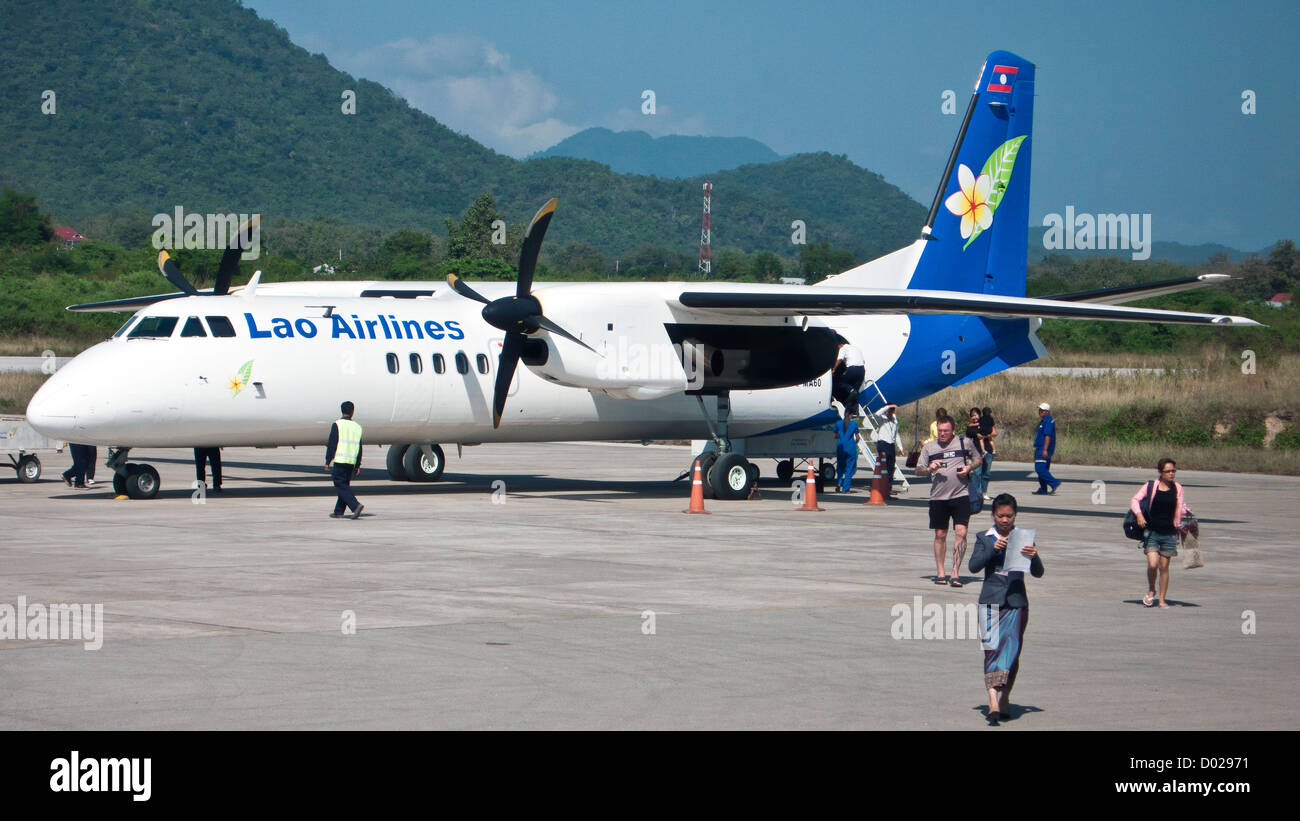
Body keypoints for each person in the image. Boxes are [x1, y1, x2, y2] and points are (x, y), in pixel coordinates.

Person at [970, 493, 1043, 724]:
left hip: (1016, 601)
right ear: (993, 515)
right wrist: (993, 549)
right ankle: (992, 700)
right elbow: (973, 566)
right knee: (991, 650)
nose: (1004, 520)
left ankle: (1005, 697)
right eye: (1000, 515)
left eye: (1009, 516)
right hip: (990, 600)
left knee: (1012, 650)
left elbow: (1039, 572)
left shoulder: (1023, 538)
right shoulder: (984, 537)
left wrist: (1035, 556)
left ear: (1015, 516)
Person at [915, 417, 980, 586]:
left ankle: (955, 573)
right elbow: (917, 470)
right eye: (940, 430)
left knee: (961, 532)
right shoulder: (930, 447)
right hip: (938, 497)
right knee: (940, 534)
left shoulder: (964, 443)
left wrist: (969, 468)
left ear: (953, 430)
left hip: (961, 495)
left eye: (945, 430)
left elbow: (978, 459)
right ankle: (941, 573)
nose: (942, 434)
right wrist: (929, 468)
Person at [1132, 458, 1190, 609]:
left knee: (1164, 567)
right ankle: (1152, 589)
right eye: (1168, 471)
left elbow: (1181, 506)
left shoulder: (1178, 488)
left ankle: (1162, 599)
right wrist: (1139, 515)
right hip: (1152, 532)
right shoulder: (1151, 486)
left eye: (1173, 471)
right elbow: (1135, 500)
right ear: (1160, 472)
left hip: (1169, 533)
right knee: (1153, 564)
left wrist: (1189, 514)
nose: (1171, 474)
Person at [325, 401, 364, 519]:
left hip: (340, 460)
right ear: (352, 411)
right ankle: (338, 511)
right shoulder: (357, 427)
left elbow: (332, 444)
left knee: (340, 485)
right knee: (344, 485)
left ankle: (355, 505)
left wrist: (327, 461)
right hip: (351, 462)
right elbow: (359, 447)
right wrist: (357, 465)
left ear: (342, 411)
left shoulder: (337, 424)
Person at [830, 337, 865, 416]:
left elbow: (839, 359)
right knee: (855, 393)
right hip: (862, 370)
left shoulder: (843, 348)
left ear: (840, 345)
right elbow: (863, 361)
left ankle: (851, 390)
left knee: (840, 383)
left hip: (852, 369)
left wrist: (834, 369)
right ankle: (855, 411)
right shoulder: (856, 349)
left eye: (838, 348)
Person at [1032, 402, 1060, 495]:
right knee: (1043, 469)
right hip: (1040, 448)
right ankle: (1043, 489)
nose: (1040, 412)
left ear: (1047, 412)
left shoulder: (1048, 421)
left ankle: (1054, 482)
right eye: (1039, 410)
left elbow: (1047, 436)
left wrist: (1044, 449)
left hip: (1043, 448)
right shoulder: (1044, 421)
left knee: (1039, 469)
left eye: (1042, 410)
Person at [833, 408, 859, 493]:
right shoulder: (854, 424)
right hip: (850, 448)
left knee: (840, 467)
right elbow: (857, 437)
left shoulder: (838, 423)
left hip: (841, 448)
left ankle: (839, 483)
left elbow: (835, 436)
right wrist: (855, 442)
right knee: (849, 469)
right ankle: (846, 489)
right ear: (851, 415)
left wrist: (840, 437)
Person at [874, 404, 898, 496]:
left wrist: (901, 447)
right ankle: (879, 486)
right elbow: (876, 415)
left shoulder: (894, 421)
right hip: (883, 443)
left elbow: (896, 434)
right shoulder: (882, 419)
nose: (891, 412)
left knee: (891, 467)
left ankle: (888, 487)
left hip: (891, 444)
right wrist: (886, 407)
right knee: (883, 465)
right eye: (890, 410)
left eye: (893, 410)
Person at [964, 407, 985, 498]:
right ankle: (977, 492)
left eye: (975, 415)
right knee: (976, 473)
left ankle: (982, 492)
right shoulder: (969, 427)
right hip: (974, 452)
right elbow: (968, 433)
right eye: (972, 416)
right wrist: (976, 433)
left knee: (984, 474)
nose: (974, 417)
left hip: (984, 450)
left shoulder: (984, 425)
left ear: (979, 415)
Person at [978, 406, 997, 501]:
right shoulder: (990, 419)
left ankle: (983, 492)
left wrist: (984, 435)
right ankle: (978, 492)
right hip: (978, 450)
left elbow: (995, 433)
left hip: (986, 449)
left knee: (986, 472)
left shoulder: (980, 420)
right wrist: (988, 435)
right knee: (978, 473)